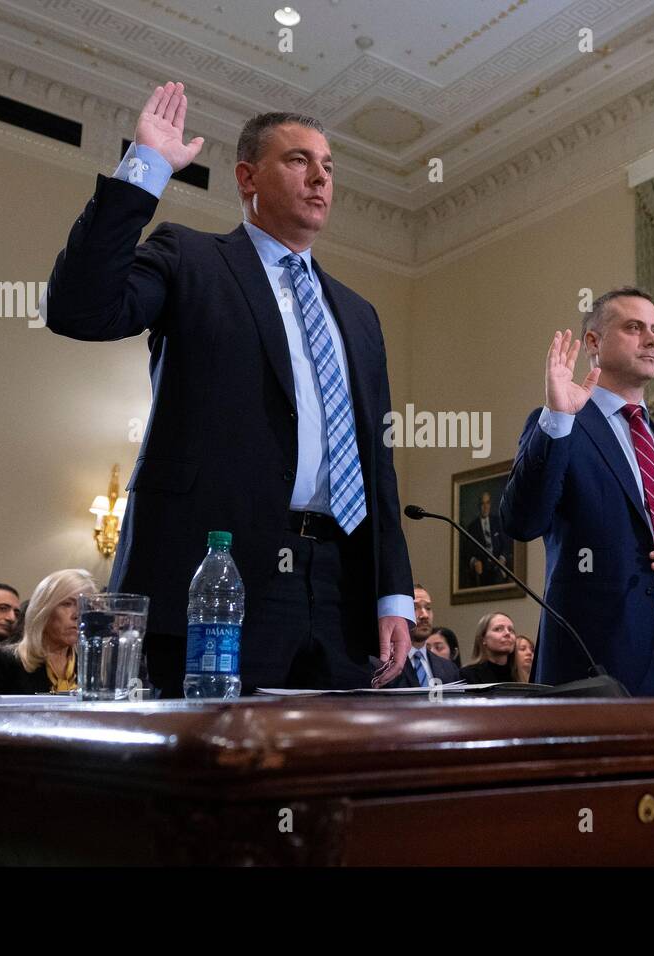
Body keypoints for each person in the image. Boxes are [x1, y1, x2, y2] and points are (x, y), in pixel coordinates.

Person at [43, 82, 413, 696]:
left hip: (340, 585)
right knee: (214, 750)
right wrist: (146, 166)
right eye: (298, 160)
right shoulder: (191, 257)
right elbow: (78, 308)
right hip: (215, 572)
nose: (319, 178)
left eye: (328, 167)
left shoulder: (359, 312)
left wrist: (392, 592)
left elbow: (377, 459)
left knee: (339, 754)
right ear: (247, 177)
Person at [500, 287, 654, 695]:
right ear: (594, 343)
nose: (652, 340)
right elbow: (521, 521)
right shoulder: (562, 424)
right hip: (589, 664)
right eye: (634, 328)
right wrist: (558, 419)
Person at [0, 570, 95, 700]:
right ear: (43, 610)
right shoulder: (2, 661)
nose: (78, 614)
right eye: (67, 604)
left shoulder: (93, 665)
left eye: (85, 606)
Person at [379, 583, 461, 688]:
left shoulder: (448, 668)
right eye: (414, 608)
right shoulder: (382, 664)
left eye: (428, 608)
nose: (424, 615)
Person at [461, 491, 510, 588]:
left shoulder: (497, 522)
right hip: (482, 568)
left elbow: (506, 544)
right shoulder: (472, 527)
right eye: (482, 504)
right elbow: (467, 551)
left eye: (487, 503)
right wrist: (474, 561)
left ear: (490, 504)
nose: (485, 507)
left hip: (498, 565)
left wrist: (502, 558)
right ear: (479, 506)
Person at [459, 613, 518, 684]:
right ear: (483, 638)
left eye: (511, 630)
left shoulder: (521, 674)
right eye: (498, 629)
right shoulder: (468, 675)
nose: (507, 633)